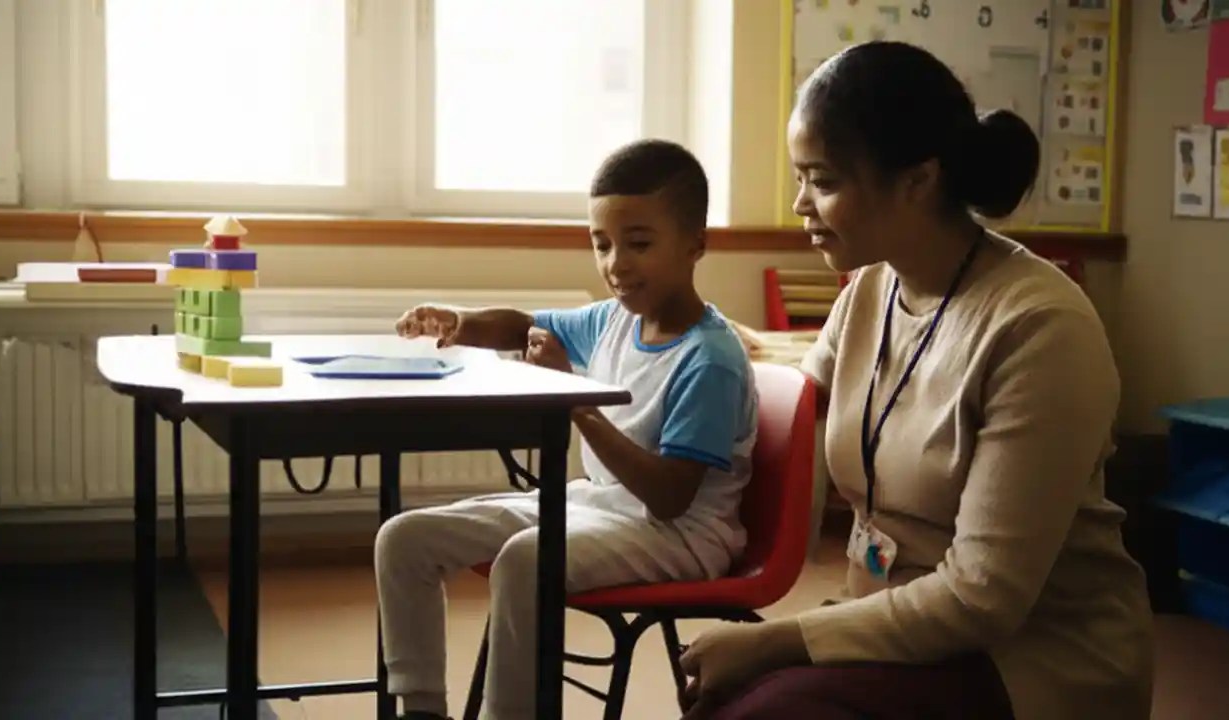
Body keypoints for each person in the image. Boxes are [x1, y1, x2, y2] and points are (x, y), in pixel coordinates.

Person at [678, 41, 1154, 720]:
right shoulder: (871, 291)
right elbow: (786, 409)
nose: (799, 204)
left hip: (1033, 656)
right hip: (897, 622)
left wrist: (777, 642)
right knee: (724, 699)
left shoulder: (1040, 329)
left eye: (824, 180)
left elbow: (982, 598)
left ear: (918, 180)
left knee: (770, 711)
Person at [375, 139, 758, 720]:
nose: (616, 264)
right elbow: (523, 325)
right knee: (403, 538)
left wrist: (574, 400)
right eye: (601, 244)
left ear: (694, 246)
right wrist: (460, 322)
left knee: (526, 560)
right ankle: (422, 709)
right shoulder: (613, 319)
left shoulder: (710, 359)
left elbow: (671, 498)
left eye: (639, 244)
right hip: (597, 506)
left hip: (679, 536)